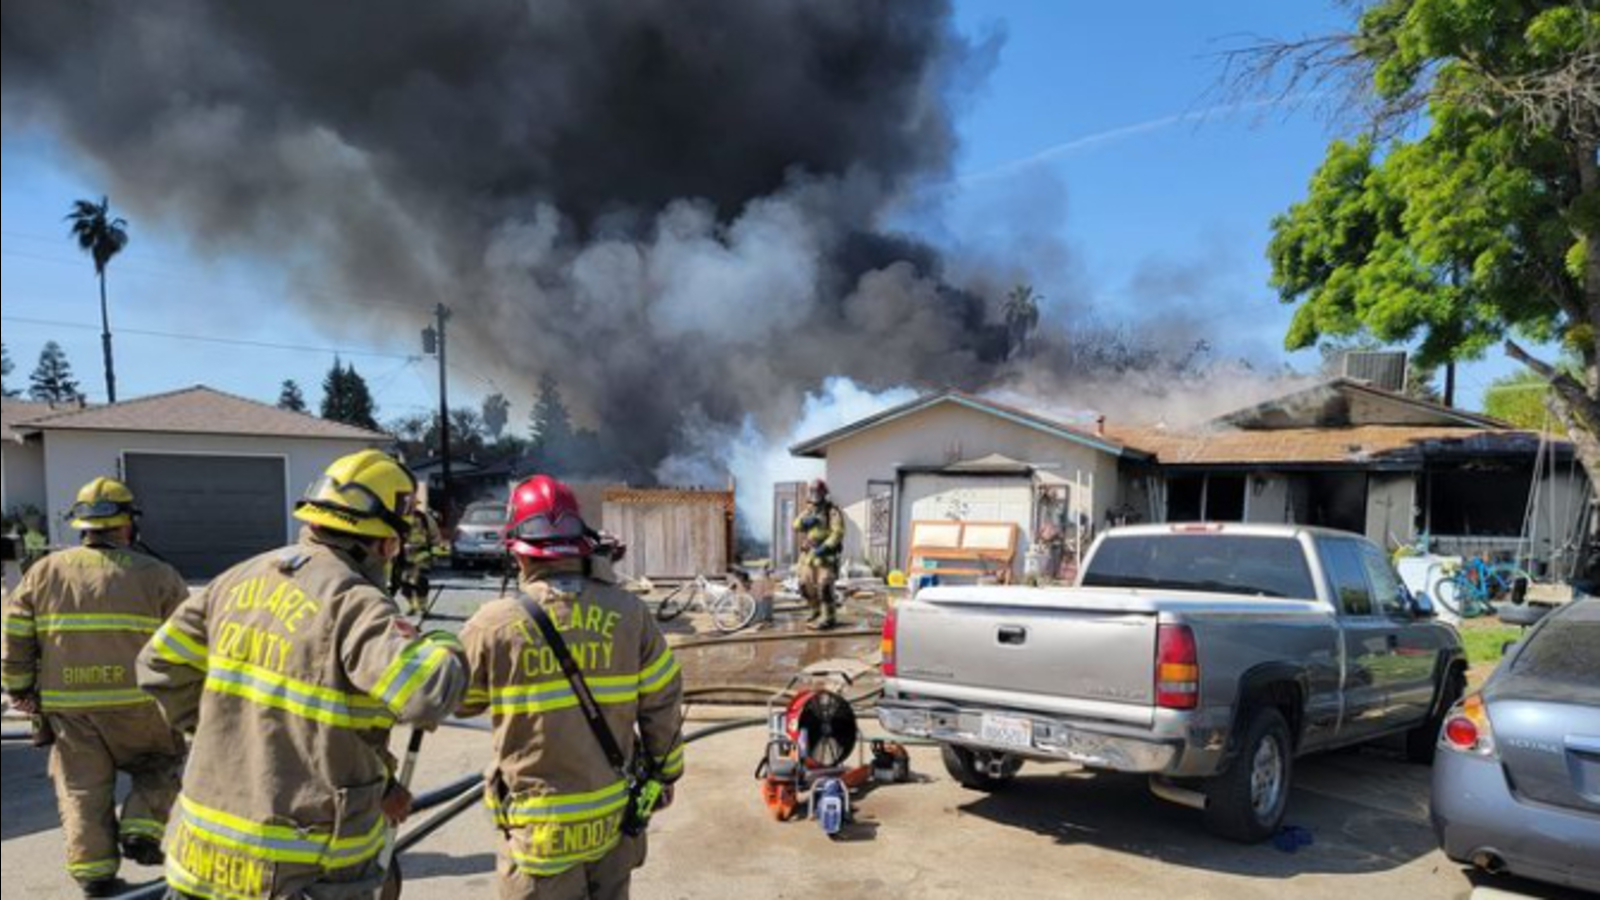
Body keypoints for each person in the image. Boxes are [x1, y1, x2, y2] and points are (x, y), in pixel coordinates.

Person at [137, 450, 469, 900]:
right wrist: (445, 647)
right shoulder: (356, 602)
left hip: (199, 854)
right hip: (298, 870)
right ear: (386, 544)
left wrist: (227, 732)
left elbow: (158, 666)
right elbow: (427, 692)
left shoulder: (235, 579)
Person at [458, 475, 685, 900]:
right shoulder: (630, 612)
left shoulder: (494, 623)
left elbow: (462, 702)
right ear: (582, 544)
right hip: (614, 824)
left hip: (540, 835)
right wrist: (665, 772)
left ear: (518, 553)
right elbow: (664, 700)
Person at [1, 478, 190, 898]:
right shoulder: (159, 575)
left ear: (81, 525)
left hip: (69, 708)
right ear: (127, 525)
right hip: (141, 704)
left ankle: (95, 874)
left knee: (81, 787)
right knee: (164, 760)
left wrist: (20, 688)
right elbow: (189, 642)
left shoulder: (43, 572)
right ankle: (142, 828)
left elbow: (15, 635)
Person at [793, 479, 846, 630]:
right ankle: (815, 611)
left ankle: (828, 617)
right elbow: (795, 525)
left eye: (817, 491)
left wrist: (825, 546)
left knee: (824, 587)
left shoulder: (832, 510)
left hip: (825, 555)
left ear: (824, 493)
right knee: (804, 585)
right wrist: (806, 522)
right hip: (808, 555)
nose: (814, 494)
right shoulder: (809, 510)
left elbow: (838, 532)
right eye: (812, 491)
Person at [399, 504, 447, 617]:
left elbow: (435, 535)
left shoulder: (424, 518)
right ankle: (412, 606)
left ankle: (423, 608)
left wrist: (435, 554)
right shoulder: (398, 517)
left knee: (421, 581)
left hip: (422, 554)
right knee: (404, 582)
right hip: (404, 555)